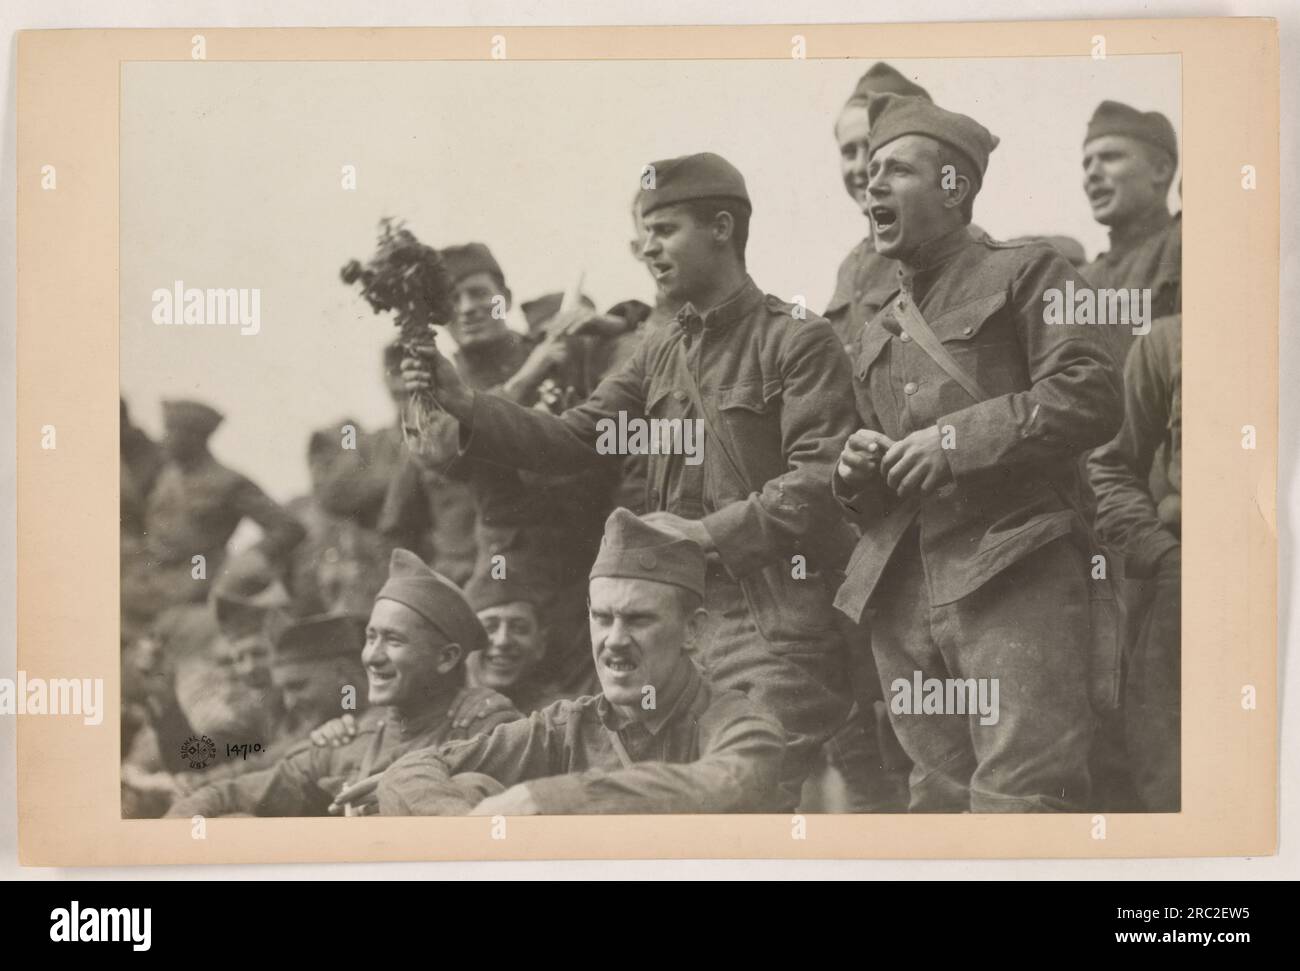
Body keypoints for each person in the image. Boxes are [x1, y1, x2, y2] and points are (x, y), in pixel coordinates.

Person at [401, 152, 859, 808]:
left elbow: (821, 479)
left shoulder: (796, 339)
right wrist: (469, 404)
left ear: (723, 227)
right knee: (662, 799)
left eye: (665, 230)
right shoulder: (658, 352)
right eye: (643, 235)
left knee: (742, 797)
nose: (648, 248)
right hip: (674, 627)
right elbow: (571, 438)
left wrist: (704, 534)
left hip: (774, 622)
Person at [832, 93, 1124, 812]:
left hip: (1013, 573)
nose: (871, 184)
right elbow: (875, 476)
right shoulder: (875, 328)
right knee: (935, 804)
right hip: (905, 595)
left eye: (895, 169)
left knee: (1022, 801)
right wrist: (854, 470)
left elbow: (1092, 392)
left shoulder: (1030, 272)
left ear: (953, 187)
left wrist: (957, 440)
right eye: (869, 171)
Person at [363, 508, 786, 815]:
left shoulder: (738, 722)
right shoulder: (565, 728)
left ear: (692, 631)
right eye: (602, 618)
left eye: (638, 619)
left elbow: (735, 781)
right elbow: (416, 767)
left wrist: (552, 799)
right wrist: (469, 834)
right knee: (471, 785)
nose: (614, 641)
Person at [167, 549, 520, 817]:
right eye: (370, 638)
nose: (372, 656)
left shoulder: (485, 726)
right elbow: (233, 792)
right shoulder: (359, 734)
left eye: (394, 641)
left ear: (445, 658)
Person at [1088, 314, 1181, 812]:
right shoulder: (1168, 342)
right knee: (1169, 771)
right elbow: (1111, 465)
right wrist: (1162, 555)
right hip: (1187, 574)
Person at [121, 400, 305, 629]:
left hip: (197, 574)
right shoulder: (168, 473)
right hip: (153, 571)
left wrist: (251, 558)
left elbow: (289, 527)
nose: (165, 438)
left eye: (171, 432)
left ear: (194, 437)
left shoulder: (228, 481)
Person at [1080, 100, 1181, 359]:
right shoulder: (1082, 279)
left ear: (1160, 170)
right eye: (1087, 163)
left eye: (1111, 157)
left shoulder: (1184, 245)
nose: (1092, 173)